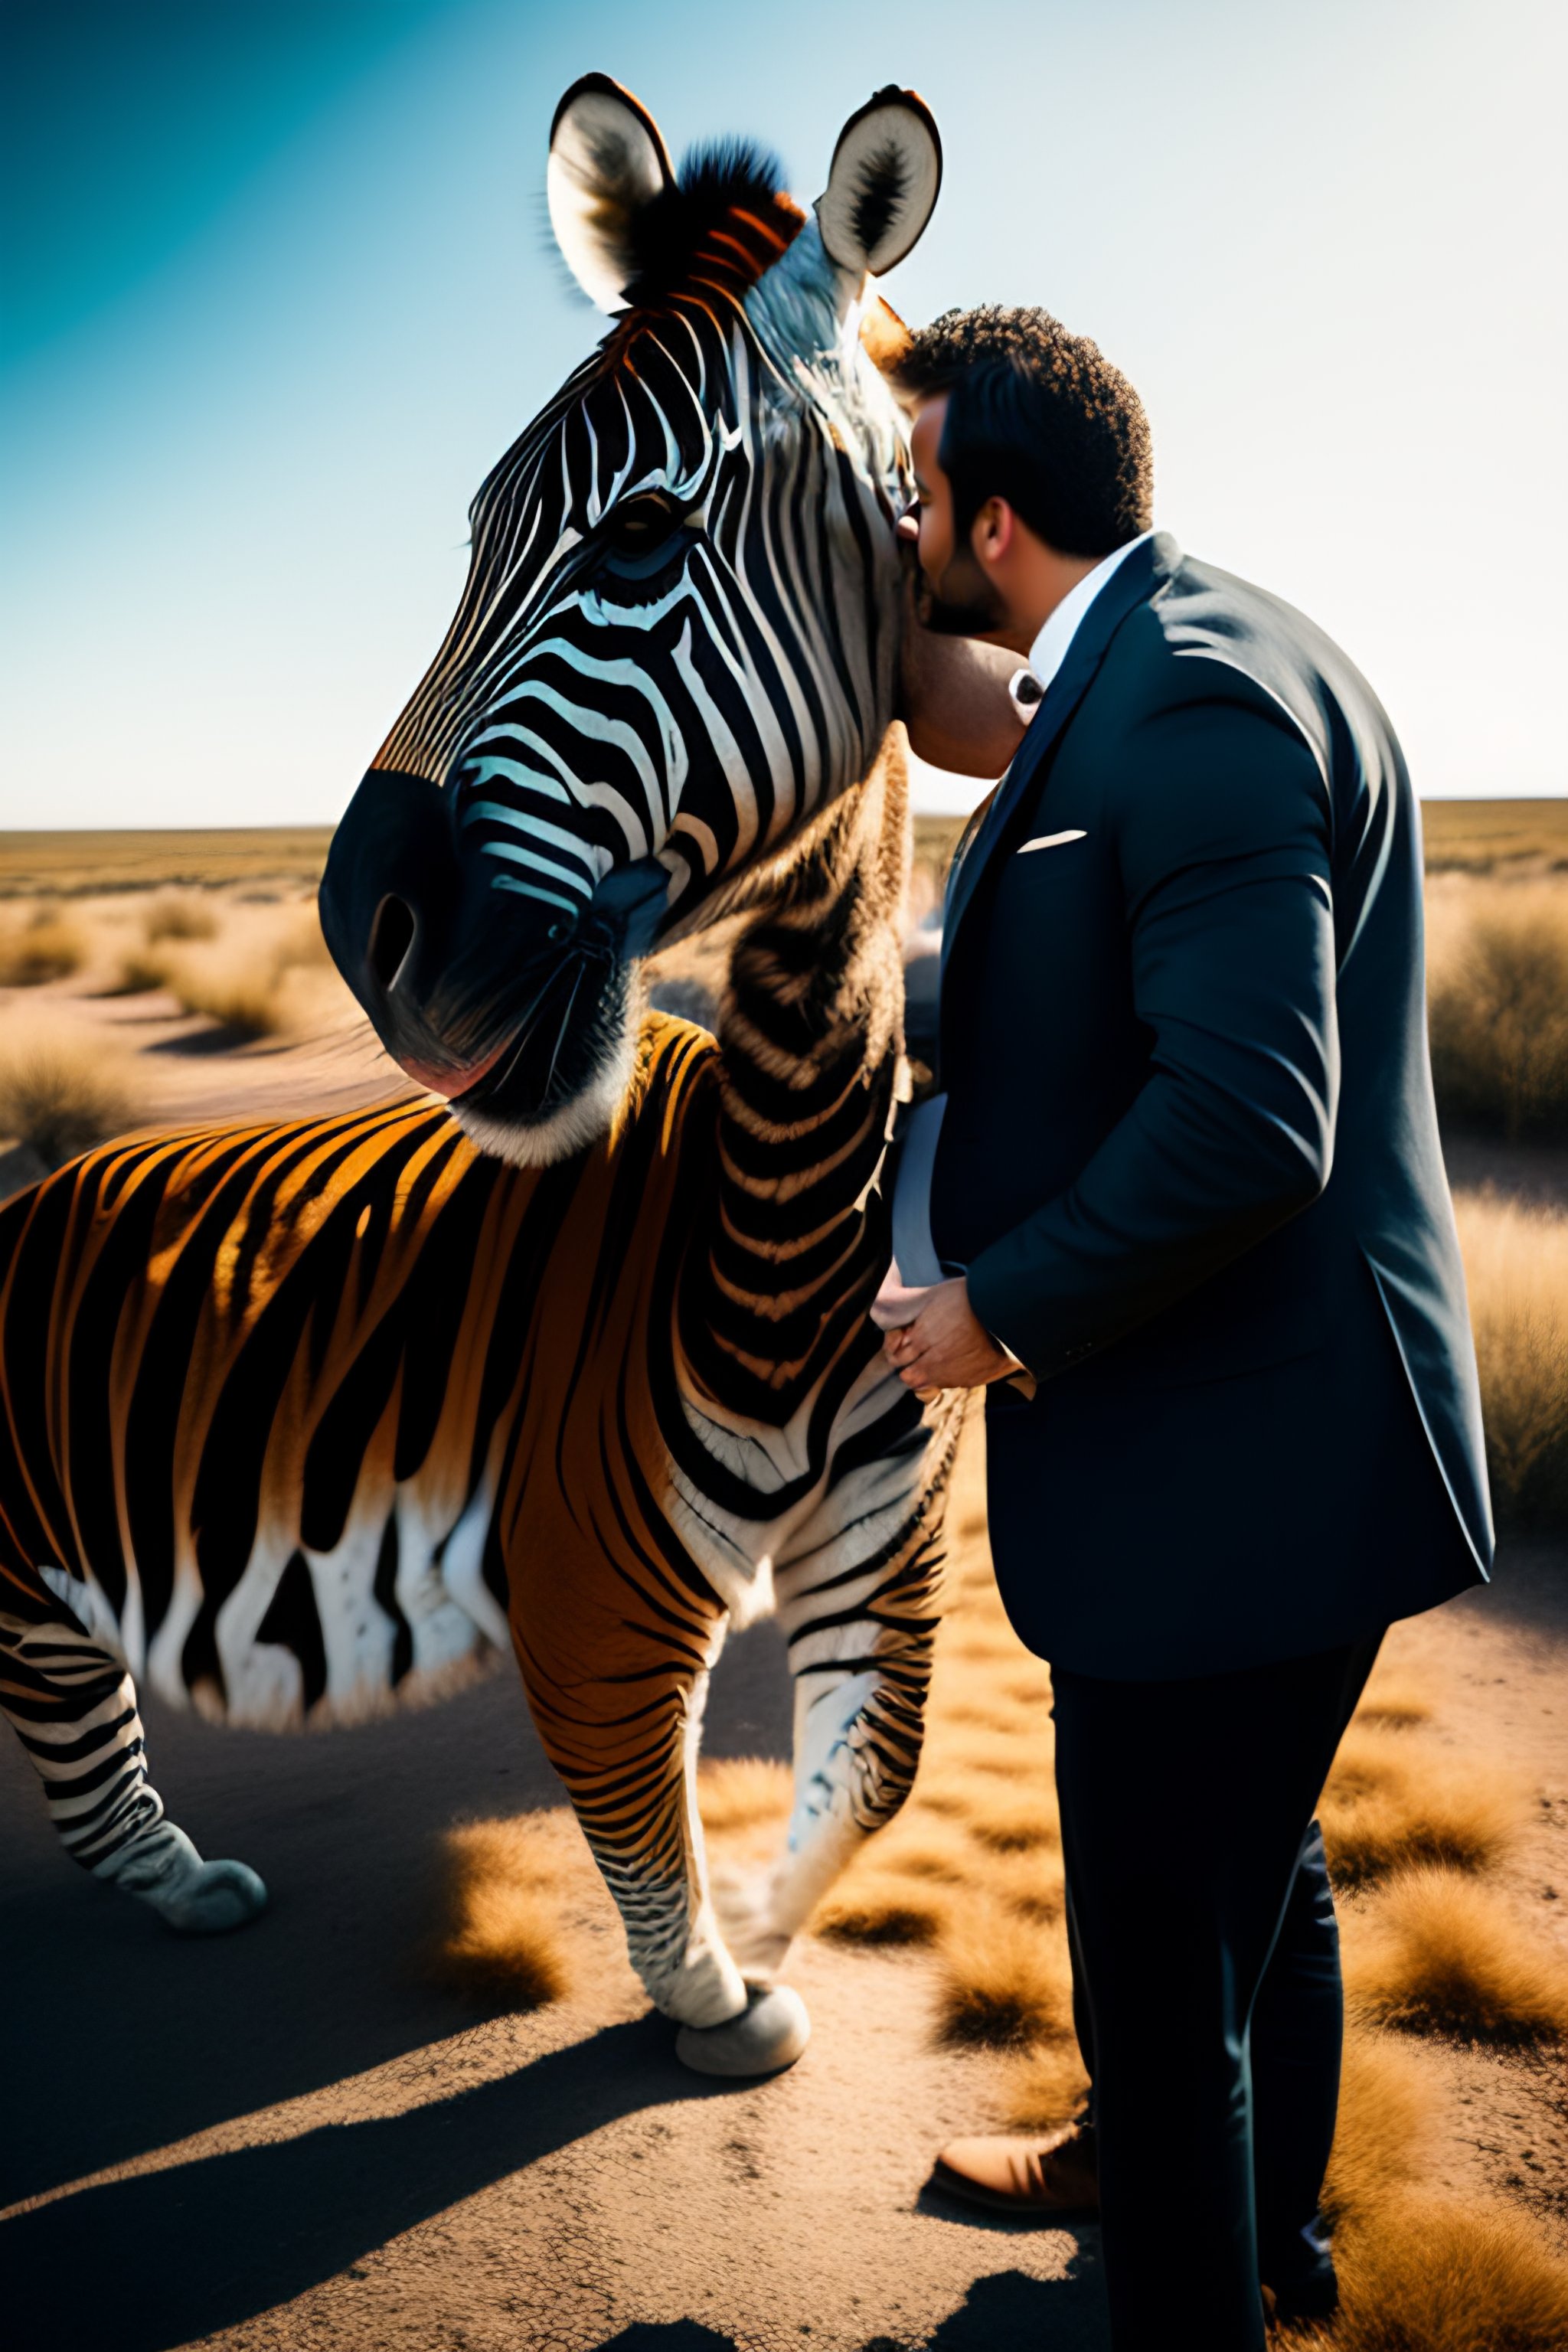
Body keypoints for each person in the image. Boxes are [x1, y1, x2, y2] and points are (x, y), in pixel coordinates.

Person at [883, 305, 1492, 2350]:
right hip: (1281, 1458)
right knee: (1261, 1877)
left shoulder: (1197, 707)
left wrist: (991, 1311)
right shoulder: (1170, 652)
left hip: (1232, 1481)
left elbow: (1249, 1121)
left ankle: (1186, 2244)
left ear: (990, 514)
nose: (901, 517)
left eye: (912, 489)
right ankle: (1273, 2240)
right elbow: (998, 712)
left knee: (1159, 1994)